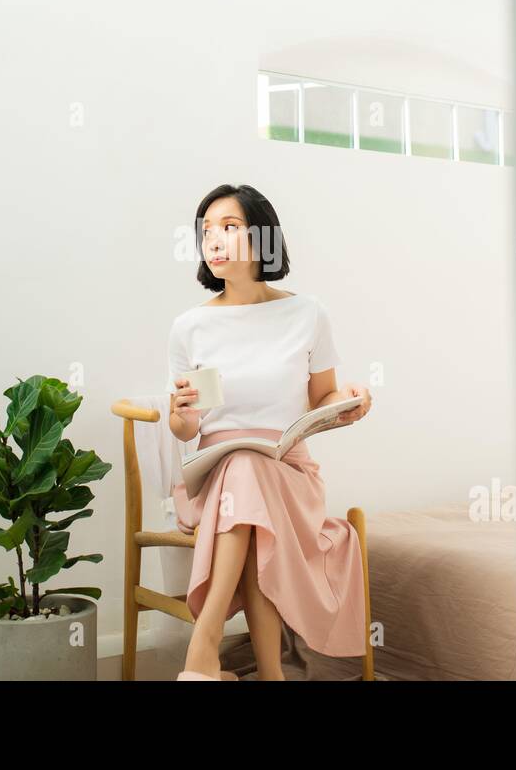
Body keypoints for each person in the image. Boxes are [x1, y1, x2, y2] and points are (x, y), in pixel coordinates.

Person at [167, 183, 371, 681]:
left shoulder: (306, 314)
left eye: (230, 228)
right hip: (214, 479)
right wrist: (182, 414)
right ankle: (212, 645)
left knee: (253, 486)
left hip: (287, 473)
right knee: (241, 467)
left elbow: (322, 397)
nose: (214, 240)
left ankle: (214, 653)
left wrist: (347, 403)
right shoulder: (190, 326)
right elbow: (184, 428)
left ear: (263, 238)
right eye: (206, 231)